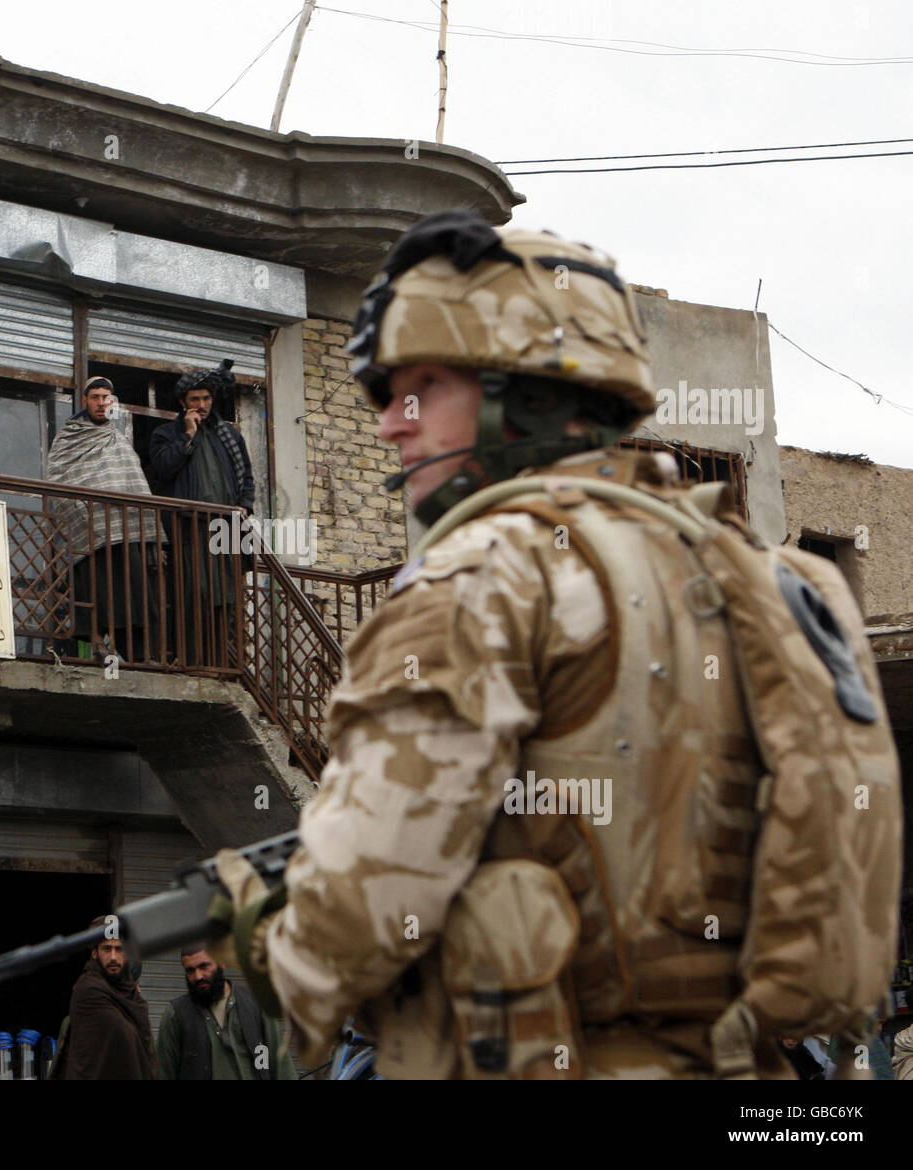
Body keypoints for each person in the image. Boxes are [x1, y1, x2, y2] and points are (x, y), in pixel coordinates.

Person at [201, 211, 902, 1080]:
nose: (392, 425)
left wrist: (257, 927)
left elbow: (361, 917)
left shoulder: (479, 580)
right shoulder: (769, 582)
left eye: (421, 388)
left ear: (521, 396)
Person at [44, 376, 163, 661]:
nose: (101, 403)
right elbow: (57, 480)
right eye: (95, 397)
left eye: (106, 397)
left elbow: (134, 483)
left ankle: (125, 652)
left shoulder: (118, 439)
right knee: (94, 589)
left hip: (123, 528)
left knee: (127, 591)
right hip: (89, 529)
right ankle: (97, 646)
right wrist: (81, 513)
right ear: (85, 401)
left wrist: (154, 539)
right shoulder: (69, 438)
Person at [148, 360, 254, 667]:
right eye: (195, 399)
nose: (202, 405)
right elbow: (163, 468)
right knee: (196, 595)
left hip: (227, 527)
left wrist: (245, 505)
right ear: (184, 403)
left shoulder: (229, 436)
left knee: (229, 596)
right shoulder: (165, 434)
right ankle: (196, 662)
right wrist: (188, 435)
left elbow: (246, 476)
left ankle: (229, 662)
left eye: (206, 399)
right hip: (188, 528)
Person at [155, 944, 296, 1081]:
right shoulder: (176, 1014)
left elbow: (281, 1064)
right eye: (190, 971)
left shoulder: (255, 1002)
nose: (198, 976)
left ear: (221, 962)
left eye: (204, 966)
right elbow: (164, 1073)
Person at [54, 916, 157, 1080]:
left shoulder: (131, 993)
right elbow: (124, 1037)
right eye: (107, 949)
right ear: (95, 952)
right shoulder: (88, 989)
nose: (114, 957)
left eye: (119, 949)